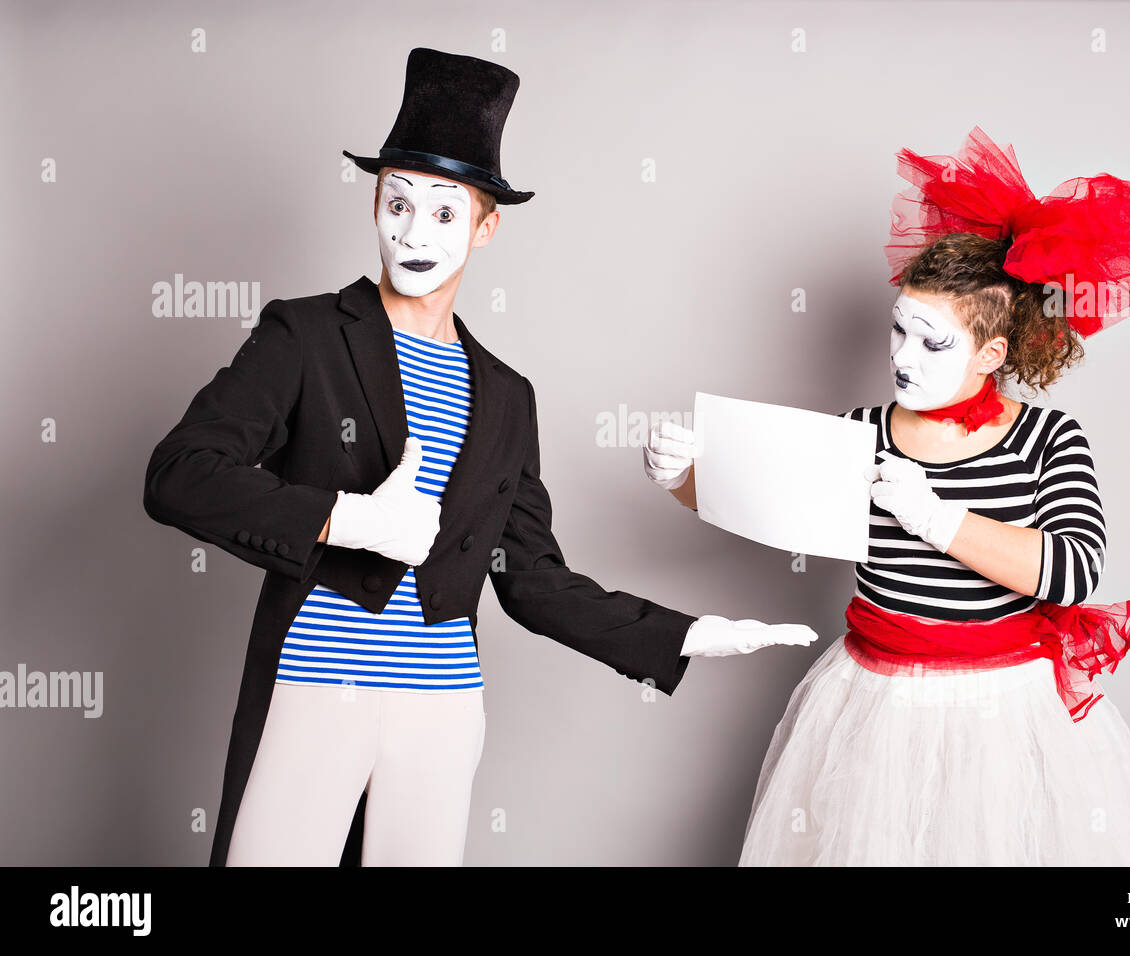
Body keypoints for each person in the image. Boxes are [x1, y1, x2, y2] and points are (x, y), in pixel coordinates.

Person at [143, 47, 814, 867]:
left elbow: (529, 578)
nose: (412, 232)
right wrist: (348, 519)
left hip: (443, 712)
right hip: (316, 690)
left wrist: (681, 634)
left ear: (487, 226)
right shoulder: (306, 335)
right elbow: (179, 473)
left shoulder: (507, 396)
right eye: (398, 202)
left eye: (444, 212)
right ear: (376, 202)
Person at [643, 127, 1130, 865]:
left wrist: (938, 519)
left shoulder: (1049, 437)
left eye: (932, 343)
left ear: (992, 355)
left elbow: (1073, 571)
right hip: (873, 701)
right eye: (898, 331)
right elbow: (776, 509)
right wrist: (683, 478)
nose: (903, 357)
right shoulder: (863, 430)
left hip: (1005, 713)